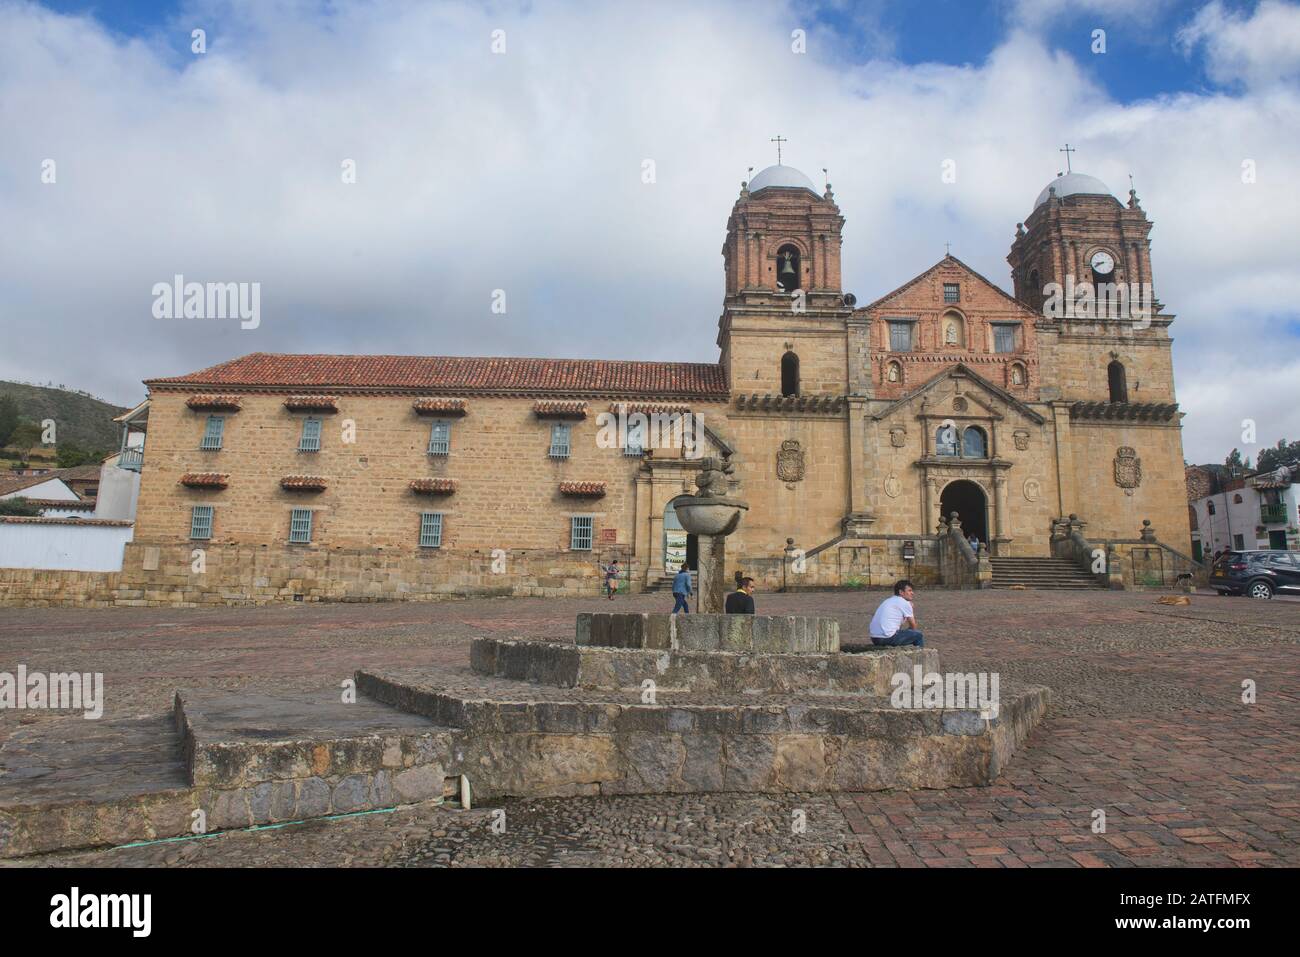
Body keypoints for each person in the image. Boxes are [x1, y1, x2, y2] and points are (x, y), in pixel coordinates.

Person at [869, 579, 923, 647]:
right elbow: (913, 626)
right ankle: (919, 655)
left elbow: (897, 627)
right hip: (887, 638)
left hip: (875, 638)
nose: (912, 593)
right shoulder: (904, 602)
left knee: (905, 633)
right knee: (918, 635)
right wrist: (910, 608)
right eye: (909, 590)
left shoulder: (889, 600)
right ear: (901, 592)